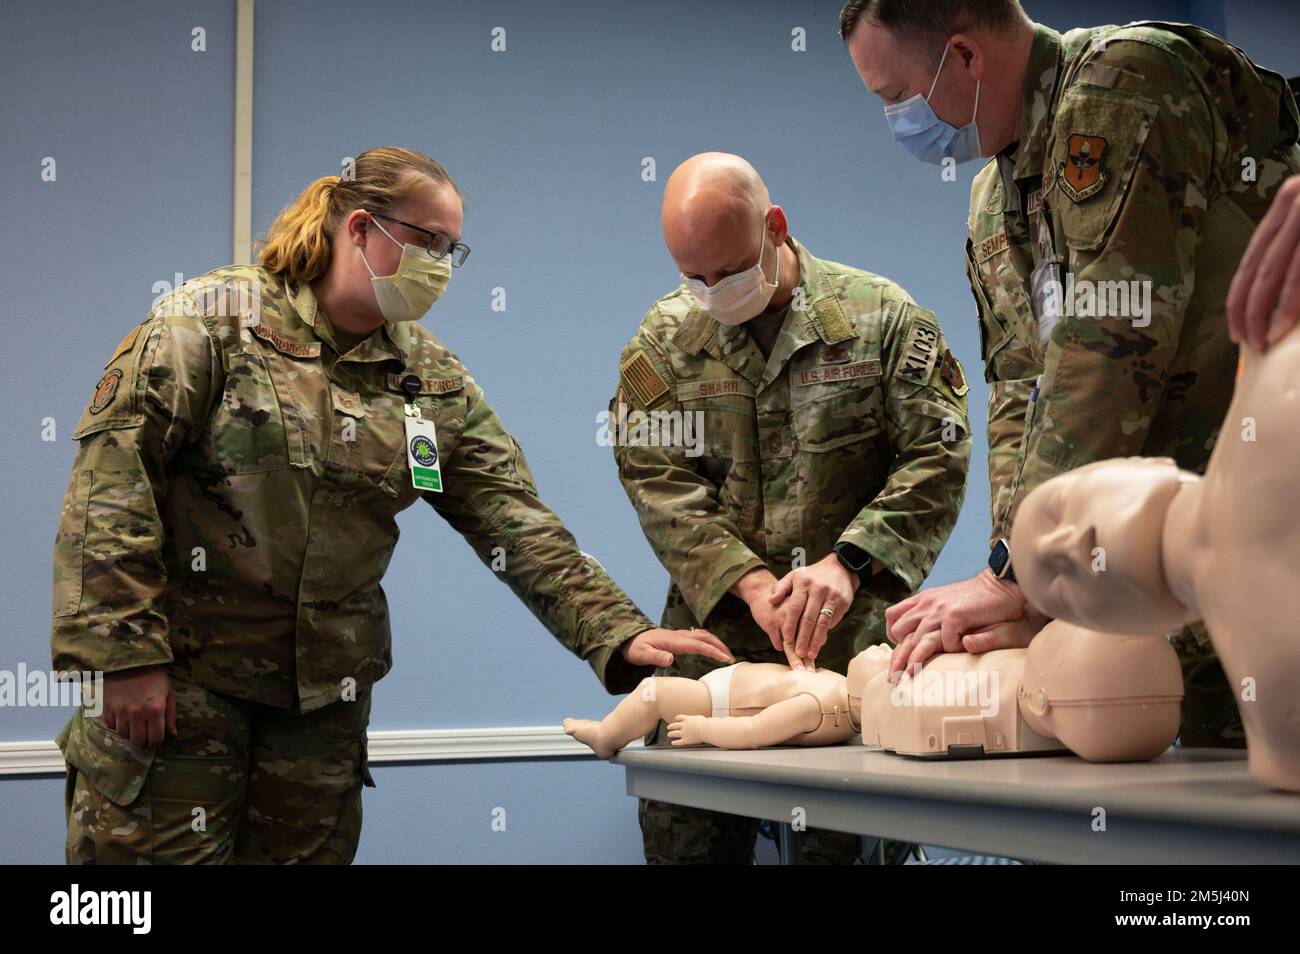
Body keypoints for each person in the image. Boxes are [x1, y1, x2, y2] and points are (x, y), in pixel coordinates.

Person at [51, 146, 730, 864]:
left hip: (321, 708)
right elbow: (111, 485)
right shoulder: (213, 321)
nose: (439, 264)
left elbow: (513, 518)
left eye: (451, 249)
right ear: (361, 228)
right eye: (427, 240)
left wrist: (617, 631)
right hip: (180, 687)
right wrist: (123, 657)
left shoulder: (429, 379)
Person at [839, 0, 1300, 745]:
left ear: (966, 57)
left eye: (897, 96)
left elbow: (1108, 342)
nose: (898, 121)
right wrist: (1019, 572)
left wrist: (1021, 573)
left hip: (1270, 524)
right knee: (1205, 771)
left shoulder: (1124, 83)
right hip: (1173, 570)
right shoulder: (995, 198)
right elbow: (1018, 392)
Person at [611, 152, 970, 863]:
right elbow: (655, 477)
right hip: (716, 652)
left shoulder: (881, 319)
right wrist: (747, 582)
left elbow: (938, 454)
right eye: (693, 276)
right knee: (687, 848)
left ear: (774, 227)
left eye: (728, 270)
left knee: (846, 849)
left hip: (853, 652)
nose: (712, 291)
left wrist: (850, 563)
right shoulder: (666, 338)